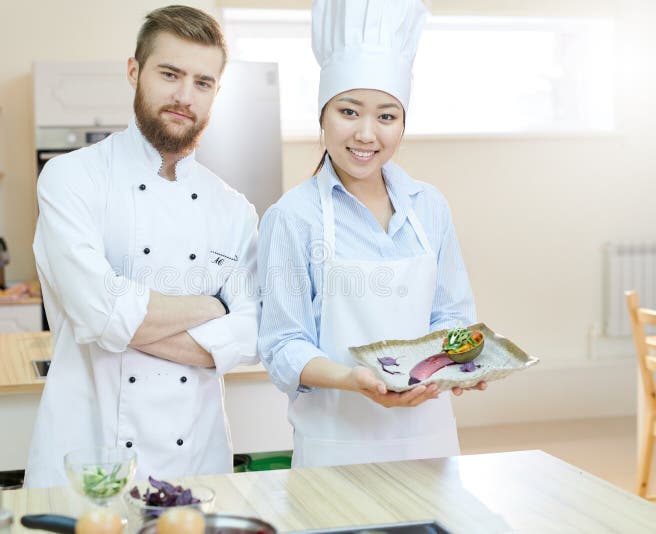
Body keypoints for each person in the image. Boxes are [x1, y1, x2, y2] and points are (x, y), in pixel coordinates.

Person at [26, 5, 259, 488]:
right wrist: (212, 307)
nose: (184, 96)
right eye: (169, 74)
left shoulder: (234, 209)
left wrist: (121, 318)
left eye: (202, 82)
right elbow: (97, 312)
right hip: (86, 460)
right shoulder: (71, 178)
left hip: (197, 463)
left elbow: (251, 335)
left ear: (217, 91)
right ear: (134, 71)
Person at [257, 0, 486, 469]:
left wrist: (460, 361)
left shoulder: (429, 206)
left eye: (387, 116)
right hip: (336, 443)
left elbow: (452, 314)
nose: (366, 134)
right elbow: (283, 346)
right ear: (323, 115)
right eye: (348, 111)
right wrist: (352, 378)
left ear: (403, 123)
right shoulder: (292, 216)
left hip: (430, 437)